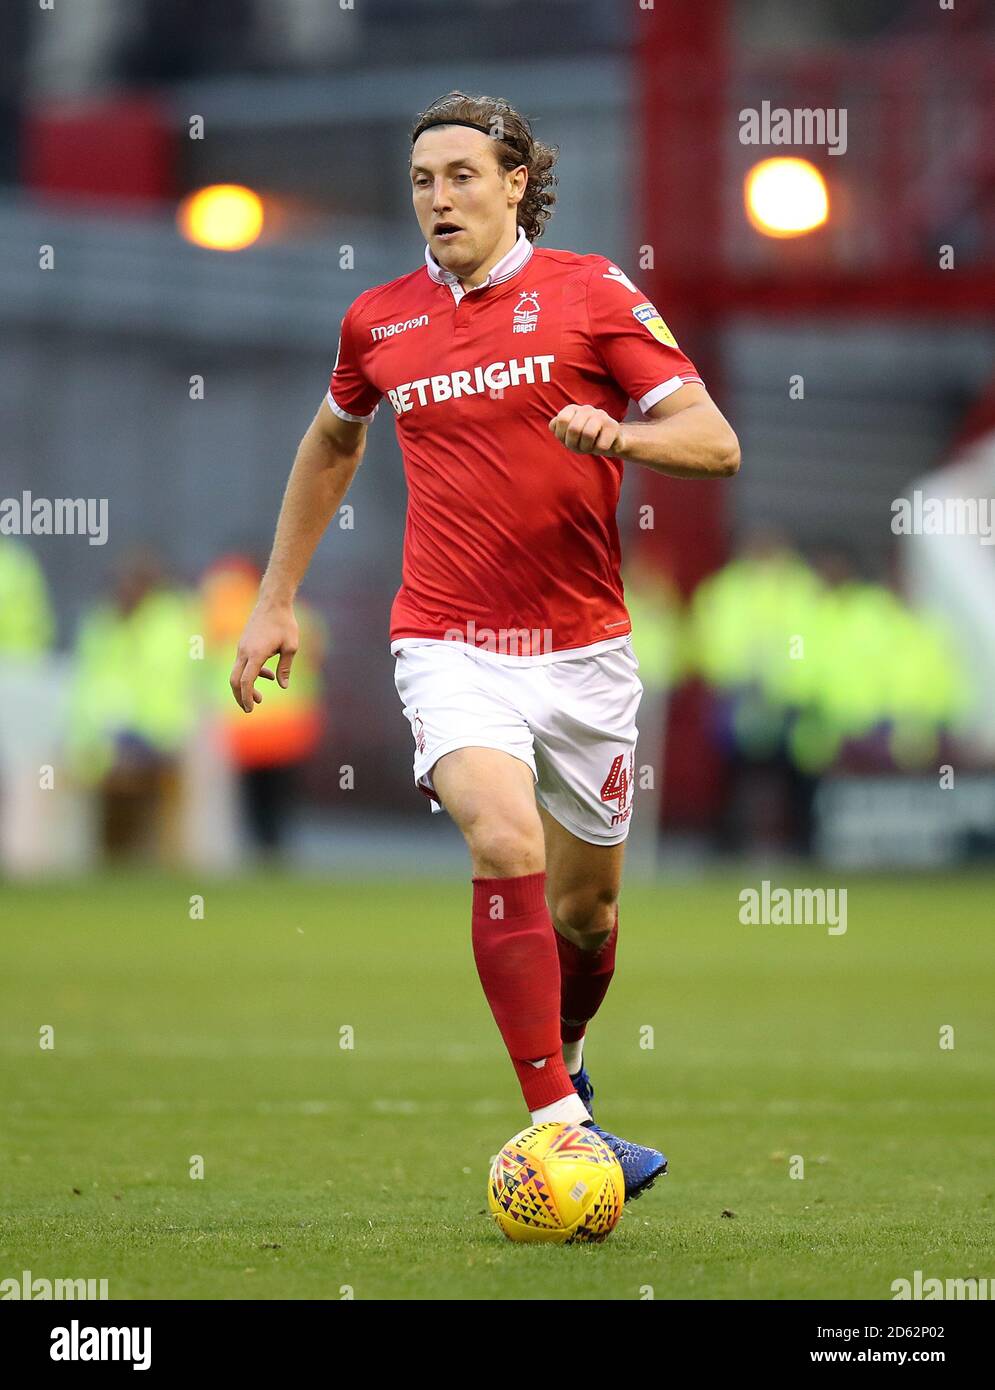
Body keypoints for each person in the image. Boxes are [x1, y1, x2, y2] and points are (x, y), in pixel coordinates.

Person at [230, 91, 740, 1202]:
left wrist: (626, 432)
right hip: (448, 639)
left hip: (583, 651)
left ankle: (573, 1079)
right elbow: (331, 441)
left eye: (461, 174)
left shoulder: (591, 292)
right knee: (500, 837)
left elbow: (715, 441)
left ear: (516, 183)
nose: (438, 196)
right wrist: (276, 599)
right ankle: (557, 1124)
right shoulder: (379, 321)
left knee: (586, 913)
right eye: (421, 179)